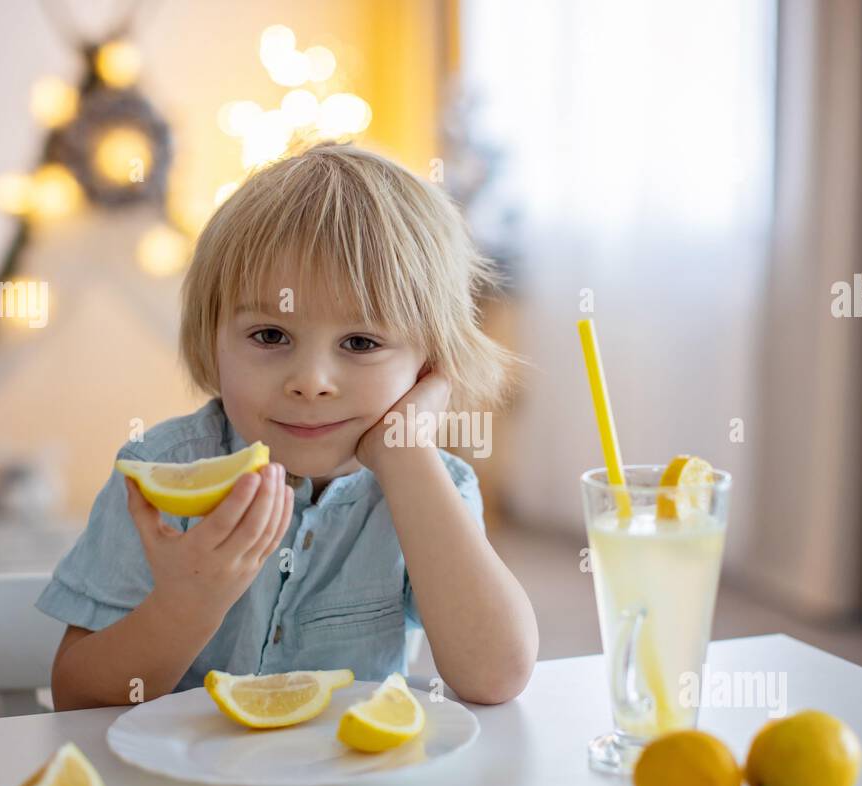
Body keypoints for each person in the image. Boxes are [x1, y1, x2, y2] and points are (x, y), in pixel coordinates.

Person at [40, 141, 538, 710]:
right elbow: (77, 699)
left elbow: (496, 675)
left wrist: (403, 455)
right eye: (271, 336)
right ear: (212, 339)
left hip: (351, 785)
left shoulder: (430, 485)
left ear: (429, 366)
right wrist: (189, 600)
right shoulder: (160, 474)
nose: (311, 381)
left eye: (361, 342)